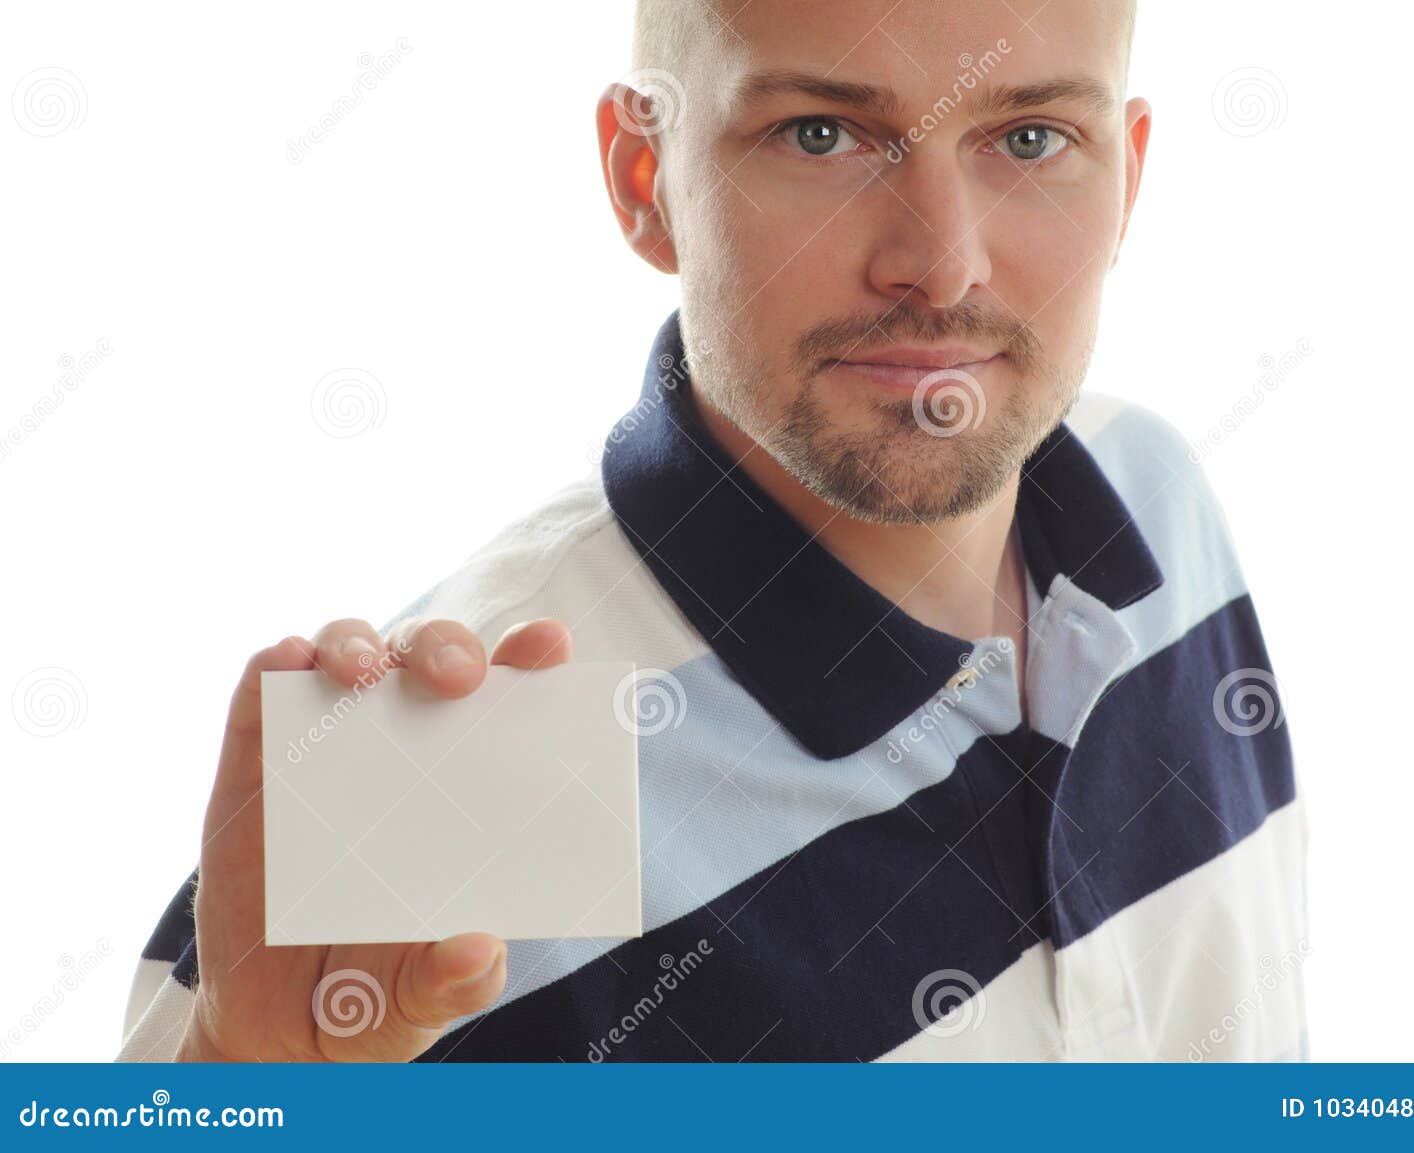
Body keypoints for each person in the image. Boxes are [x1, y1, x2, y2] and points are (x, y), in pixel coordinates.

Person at [117, 0, 1307, 1063]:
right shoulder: (464, 751)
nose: (940, 263)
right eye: (820, 135)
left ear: (1128, 179)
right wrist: (241, 1080)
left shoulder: (1154, 492)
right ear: (646, 178)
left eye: (1031, 138)